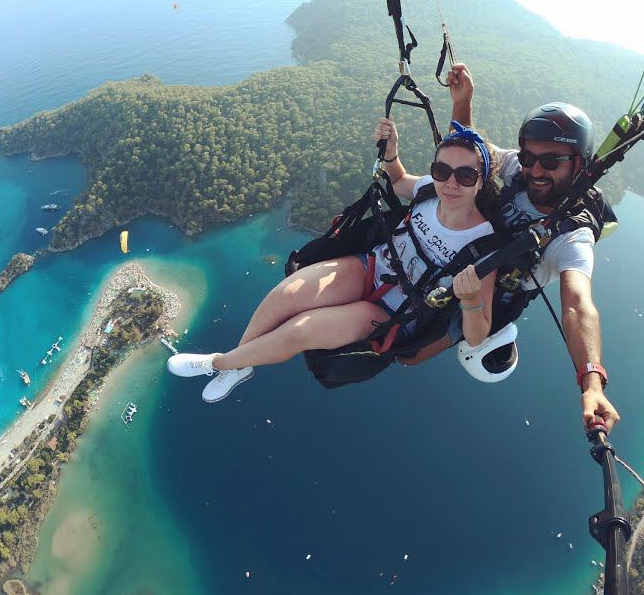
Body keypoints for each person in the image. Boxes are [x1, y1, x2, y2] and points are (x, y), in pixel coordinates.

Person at [167, 120, 500, 403]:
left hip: (397, 309)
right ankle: (241, 364)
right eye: (442, 170)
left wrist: (470, 300)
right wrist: (392, 153)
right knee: (288, 293)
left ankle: (221, 362)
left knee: (302, 330)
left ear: (481, 179)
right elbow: (398, 182)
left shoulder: (482, 244)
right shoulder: (430, 190)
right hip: (372, 267)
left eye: (465, 176)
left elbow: (476, 334)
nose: (450, 183)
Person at [398, 63, 620, 432]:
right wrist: (463, 101)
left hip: (490, 294)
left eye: (550, 161)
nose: (535, 170)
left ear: (578, 164)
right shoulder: (517, 167)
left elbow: (579, 307)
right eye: (530, 157)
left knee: (410, 353)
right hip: (459, 247)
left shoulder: (572, 236)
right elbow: (470, 154)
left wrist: (591, 381)